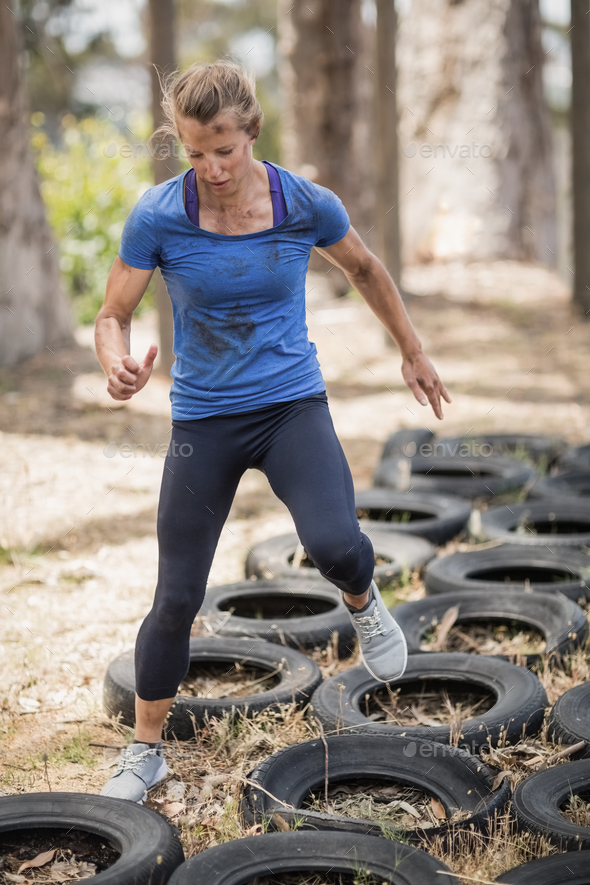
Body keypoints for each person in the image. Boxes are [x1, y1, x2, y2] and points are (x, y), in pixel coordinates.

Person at [95, 60, 451, 804]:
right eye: (195, 152)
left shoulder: (303, 203)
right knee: (176, 594)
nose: (212, 168)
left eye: (223, 148)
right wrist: (117, 362)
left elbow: (365, 267)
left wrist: (411, 350)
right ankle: (145, 750)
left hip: (291, 406)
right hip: (203, 420)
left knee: (335, 542)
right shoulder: (158, 214)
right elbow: (113, 314)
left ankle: (363, 602)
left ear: (251, 130)